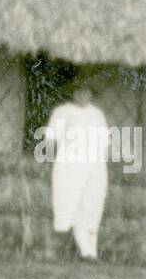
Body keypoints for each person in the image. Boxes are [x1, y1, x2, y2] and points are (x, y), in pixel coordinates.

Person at [45, 75, 110, 263]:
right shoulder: (62, 112)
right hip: (70, 165)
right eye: (78, 91)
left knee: (93, 203)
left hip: (94, 165)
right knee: (72, 202)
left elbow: (105, 139)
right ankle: (84, 251)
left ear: (91, 94)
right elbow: (51, 138)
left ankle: (92, 251)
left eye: (86, 92)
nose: (82, 95)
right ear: (72, 94)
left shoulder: (97, 113)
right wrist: (48, 160)